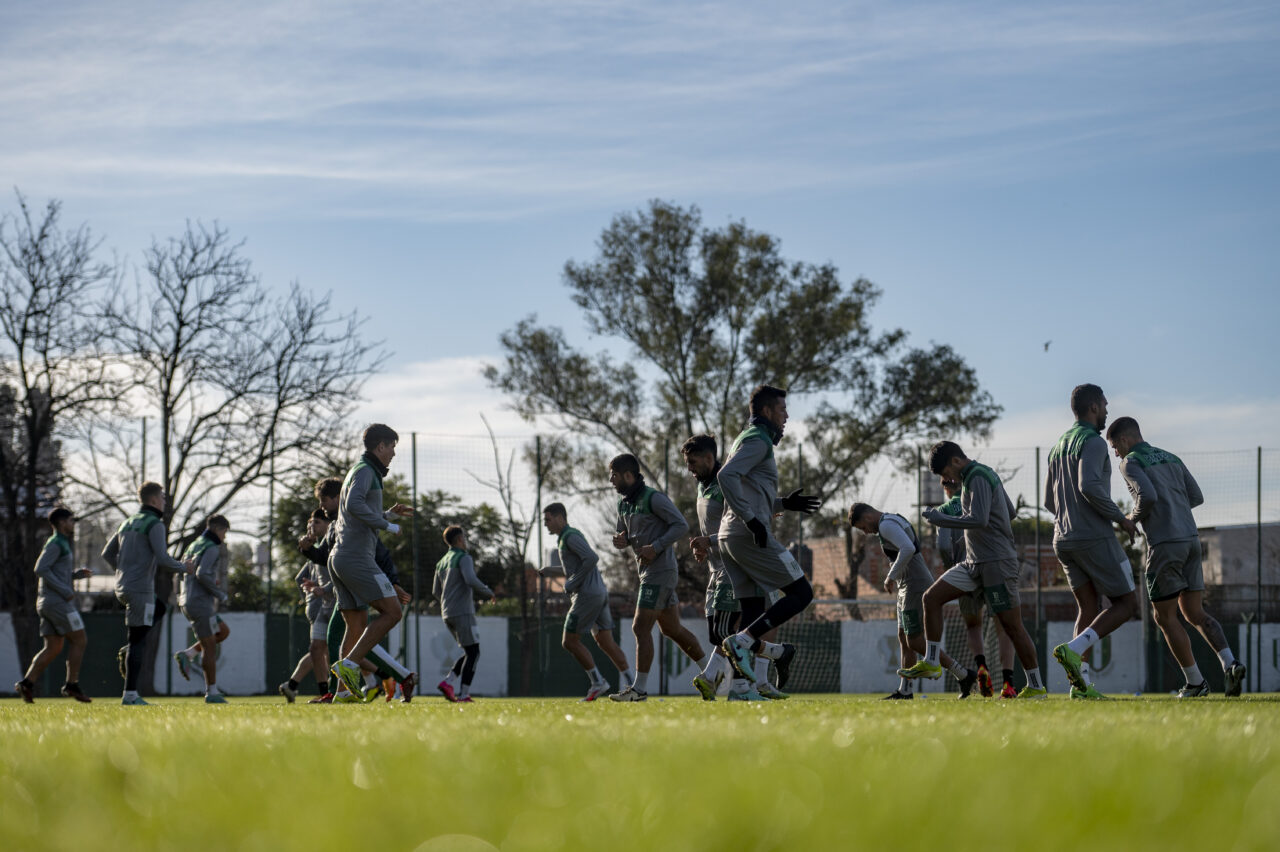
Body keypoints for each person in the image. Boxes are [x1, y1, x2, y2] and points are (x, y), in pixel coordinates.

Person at [1107, 417, 1247, 697]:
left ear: (1124, 440)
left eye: (1114, 447)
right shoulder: (1171, 457)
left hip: (1165, 544)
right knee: (1195, 612)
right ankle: (1230, 663)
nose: (1115, 454)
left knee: (1163, 617)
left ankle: (1195, 683)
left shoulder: (1130, 462)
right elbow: (1196, 496)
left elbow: (1147, 496)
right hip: (1192, 541)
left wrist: (1131, 519)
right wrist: (1175, 508)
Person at [903, 442, 1047, 699]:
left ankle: (1036, 686)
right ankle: (933, 660)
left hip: (996, 563)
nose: (946, 480)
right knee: (931, 598)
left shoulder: (978, 476)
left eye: (945, 473)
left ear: (957, 461)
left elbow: (979, 520)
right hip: (973, 563)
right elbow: (1010, 512)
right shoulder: (981, 476)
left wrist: (940, 519)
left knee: (1012, 626)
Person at [717, 386, 822, 686]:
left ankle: (741, 688)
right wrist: (752, 521)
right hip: (746, 534)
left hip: (731, 536)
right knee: (802, 594)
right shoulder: (759, 440)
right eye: (782, 410)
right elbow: (726, 476)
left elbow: (746, 491)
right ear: (766, 412)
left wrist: (784, 504)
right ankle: (743, 641)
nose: (786, 416)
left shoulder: (746, 438)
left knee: (752, 609)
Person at [1045, 385, 1140, 700]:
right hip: (1091, 536)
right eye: (1105, 404)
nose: (1108, 410)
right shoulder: (1094, 442)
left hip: (1062, 538)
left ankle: (1080, 687)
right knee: (1127, 604)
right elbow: (1089, 486)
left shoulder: (1057, 445)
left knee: (1088, 607)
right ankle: (1073, 649)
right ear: (1094, 407)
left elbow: (1048, 500)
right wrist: (1121, 519)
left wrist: (1069, 516)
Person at [683, 434, 787, 702]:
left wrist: (782, 504)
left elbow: (743, 522)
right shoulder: (703, 485)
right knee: (718, 633)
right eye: (686, 463)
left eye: (693, 462)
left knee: (733, 631)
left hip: (735, 567)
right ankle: (771, 657)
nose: (689, 468)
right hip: (715, 569)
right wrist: (703, 544)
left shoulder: (728, 483)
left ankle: (742, 687)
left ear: (709, 458)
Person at [301, 476, 415, 702]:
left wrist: (393, 581)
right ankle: (350, 688)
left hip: (358, 581)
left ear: (338, 497)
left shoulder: (350, 520)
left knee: (347, 635)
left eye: (324, 500)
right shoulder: (337, 524)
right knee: (353, 634)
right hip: (345, 585)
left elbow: (380, 553)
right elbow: (323, 556)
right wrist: (307, 550)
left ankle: (352, 684)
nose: (321, 506)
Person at [607, 453, 710, 702]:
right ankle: (713, 673)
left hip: (661, 572)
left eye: (614, 474)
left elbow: (681, 525)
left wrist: (656, 546)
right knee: (672, 629)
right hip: (647, 574)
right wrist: (621, 539)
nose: (611, 480)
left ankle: (639, 690)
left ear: (628, 475)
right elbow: (624, 533)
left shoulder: (654, 498)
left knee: (640, 627)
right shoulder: (623, 504)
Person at [849, 503, 977, 699]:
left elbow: (907, 548)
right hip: (906, 586)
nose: (866, 533)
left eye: (862, 528)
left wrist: (891, 576)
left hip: (914, 585)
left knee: (914, 640)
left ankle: (963, 674)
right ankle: (905, 690)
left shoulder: (885, 525)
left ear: (866, 517)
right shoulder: (892, 519)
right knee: (903, 638)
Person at [329, 424, 416, 702]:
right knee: (393, 613)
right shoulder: (367, 471)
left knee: (355, 626)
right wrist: (385, 525)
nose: (393, 453)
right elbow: (355, 505)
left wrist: (387, 514)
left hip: (341, 558)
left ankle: (343, 692)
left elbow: (356, 509)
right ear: (380, 446)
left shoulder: (360, 469)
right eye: (391, 447)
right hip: (356, 558)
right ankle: (351, 664)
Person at [101, 481, 194, 705]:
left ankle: (130, 648)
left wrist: (123, 571)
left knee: (160, 608)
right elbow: (163, 559)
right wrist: (185, 567)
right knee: (139, 642)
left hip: (123, 587)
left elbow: (107, 554)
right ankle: (130, 695)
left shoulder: (127, 523)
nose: (164, 501)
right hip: (140, 590)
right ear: (153, 500)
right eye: (162, 497)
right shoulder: (155, 524)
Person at [538, 503, 634, 701]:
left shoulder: (569, 536)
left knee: (569, 641)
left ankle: (598, 682)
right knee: (606, 642)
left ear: (559, 518)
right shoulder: (567, 537)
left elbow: (591, 558)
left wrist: (572, 581)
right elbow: (576, 566)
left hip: (587, 595)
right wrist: (550, 571)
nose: (546, 524)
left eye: (547, 519)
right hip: (599, 593)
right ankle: (633, 686)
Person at [936, 479, 1018, 698]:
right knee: (1004, 627)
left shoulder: (945, 510)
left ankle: (981, 666)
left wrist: (950, 567)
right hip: (992, 566)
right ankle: (1008, 683)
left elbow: (943, 545)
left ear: (946, 489)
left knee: (974, 626)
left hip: (964, 573)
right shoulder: (979, 500)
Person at [14, 507, 93, 703]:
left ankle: (27, 683)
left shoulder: (61, 543)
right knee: (80, 639)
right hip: (57, 603)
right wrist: (65, 590)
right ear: (60, 523)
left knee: (53, 647)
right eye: (70, 520)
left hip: (47, 603)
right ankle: (71, 684)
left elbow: (54, 571)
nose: (73, 523)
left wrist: (76, 575)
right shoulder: (56, 542)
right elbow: (40, 569)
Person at [173, 515, 232, 703]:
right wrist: (220, 593)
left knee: (223, 632)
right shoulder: (212, 547)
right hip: (199, 602)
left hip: (187, 599)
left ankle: (188, 654)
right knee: (209, 647)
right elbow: (202, 574)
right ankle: (212, 692)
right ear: (217, 529)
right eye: (224, 532)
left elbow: (184, 571)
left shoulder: (194, 544)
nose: (224, 537)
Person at [281, 508, 337, 703]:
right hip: (322, 606)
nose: (311, 527)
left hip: (338, 603)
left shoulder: (333, 542)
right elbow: (300, 578)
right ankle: (325, 693)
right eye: (310, 524)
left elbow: (340, 573)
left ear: (329, 524)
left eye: (317, 523)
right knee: (318, 649)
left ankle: (383, 676)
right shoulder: (318, 548)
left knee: (343, 650)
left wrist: (324, 589)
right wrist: (311, 594)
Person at [433, 526, 495, 703]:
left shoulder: (441, 562)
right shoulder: (464, 557)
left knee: (470, 651)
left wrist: (449, 602)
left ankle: (448, 682)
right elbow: (470, 579)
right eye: (465, 537)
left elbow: (435, 592)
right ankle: (463, 694)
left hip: (447, 613)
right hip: (463, 612)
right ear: (460, 539)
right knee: (474, 652)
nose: (466, 541)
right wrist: (488, 591)